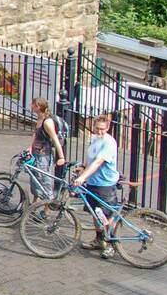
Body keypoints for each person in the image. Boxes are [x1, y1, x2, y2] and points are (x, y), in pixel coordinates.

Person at [74, 112, 121, 259]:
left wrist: (83, 177)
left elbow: (98, 162)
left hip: (105, 185)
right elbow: (91, 158)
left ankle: (112, 245)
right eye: (97, 129)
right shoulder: (94, 139)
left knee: (107, 216)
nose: (100, 132)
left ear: (107, 128)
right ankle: (99, 240)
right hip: (93, 183)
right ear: (93, 127)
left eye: (103, 129)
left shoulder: (109, 142)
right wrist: (83, 166)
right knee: (95, 213)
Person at [28, 99, 68, 201]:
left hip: (43, 156)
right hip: (36, 154)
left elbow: (55, 139)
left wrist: (61, 157)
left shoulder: (47, 122)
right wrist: (30, 147)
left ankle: (46, 210)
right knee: (36, 183)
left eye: (33, 104)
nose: (31, 106)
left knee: (45, 183)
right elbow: (36, 134)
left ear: (38, 106)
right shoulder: (39, 118)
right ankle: (33, 209)